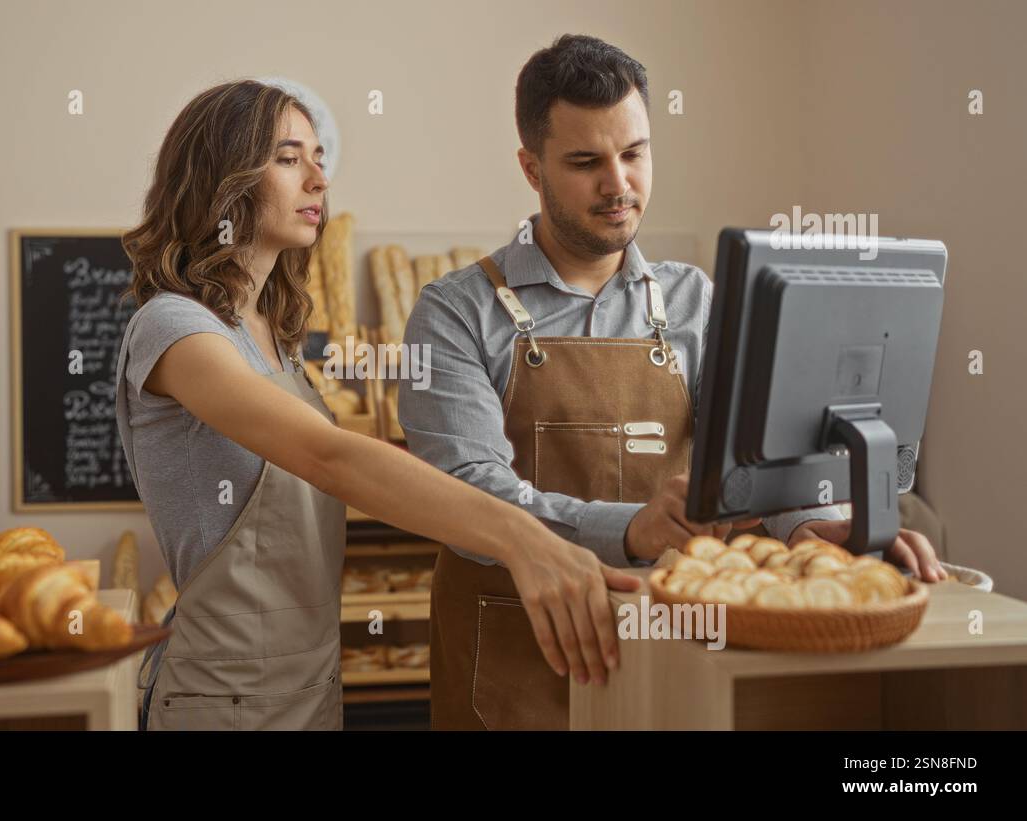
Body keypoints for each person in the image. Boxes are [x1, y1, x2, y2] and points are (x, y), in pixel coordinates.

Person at [399, 34, 947, 731]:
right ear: (530, 168)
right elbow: (469, 494)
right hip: (512, 671)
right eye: (585, 162)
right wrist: (632, 528)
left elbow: (754, 463)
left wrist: (819, 527)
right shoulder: (454, 311)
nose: (618, 184)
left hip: (672, 671)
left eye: (634, 153)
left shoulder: (700, 301)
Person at [114, 79, 640, 731]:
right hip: (220, 701)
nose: (317, 179)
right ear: (221, 177)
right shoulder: (173, 328)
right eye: (287, 158)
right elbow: (325, 454)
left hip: (309, 690)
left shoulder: (275, 339)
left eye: (318, 157)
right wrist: (521, 537)